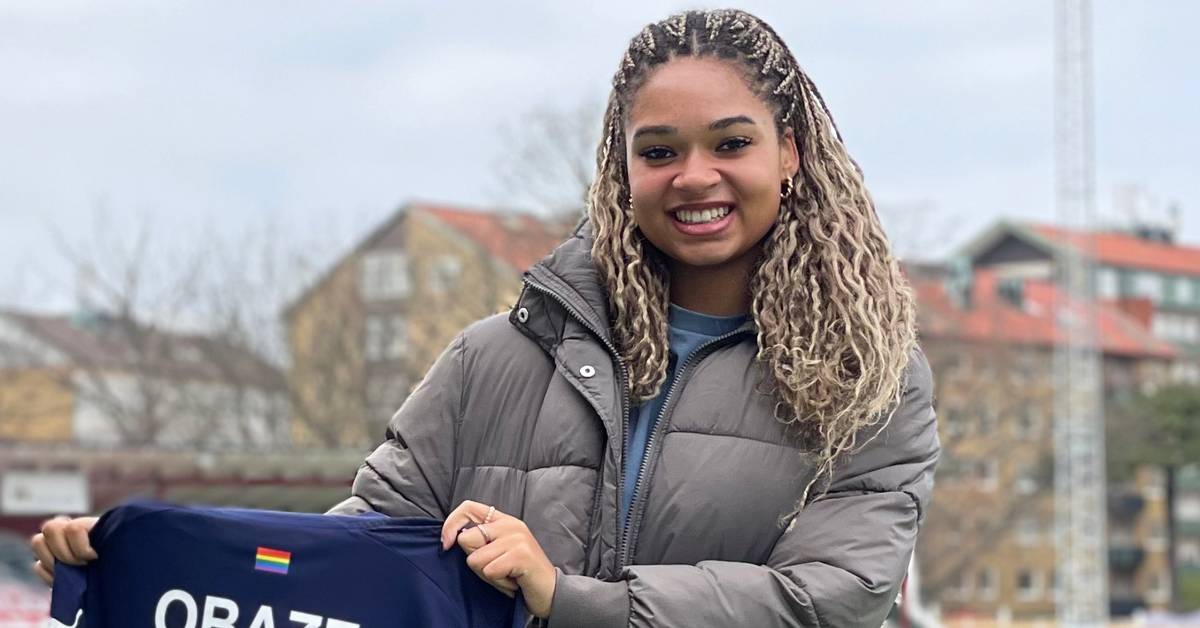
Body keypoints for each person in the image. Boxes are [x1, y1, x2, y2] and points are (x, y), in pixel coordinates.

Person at [32, 9, 938, 627]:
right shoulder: (493, 359)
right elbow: (357, 555)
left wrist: (565, 597)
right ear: (623, 173)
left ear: (791, 155)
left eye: (730, 143)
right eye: (658, 151)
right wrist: (139, 560)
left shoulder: (872, 379)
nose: (694, 177)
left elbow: (830, 599)